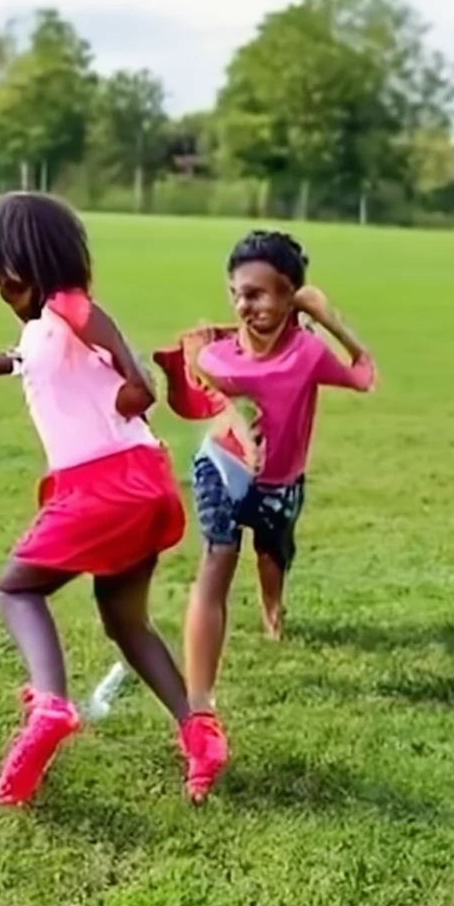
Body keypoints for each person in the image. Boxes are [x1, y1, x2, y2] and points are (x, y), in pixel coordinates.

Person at [0, 192, 223, 806]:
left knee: (15, 588)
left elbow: (138, 385)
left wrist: (137, 388)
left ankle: (50, 707)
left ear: (28, 261)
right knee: (125, 620)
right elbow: (15, 360)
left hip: (105, 483)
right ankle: (199, 733)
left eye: (3, 272)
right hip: (139, 480)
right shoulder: (46, 326)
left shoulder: (70, 307)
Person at [154, 230, 376, 800]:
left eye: (258, 294)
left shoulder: (307, 354)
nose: (244, 305)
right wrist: (190, 369)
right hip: (222, 468)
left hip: (279, 485)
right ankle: (200, 712)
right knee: (218, 555)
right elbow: (188, 401)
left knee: (274, 556)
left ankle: (273, 608)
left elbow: (364, 374)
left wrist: (329, 319)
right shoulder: (216, 353)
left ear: (291, 297)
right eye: (236, 293)